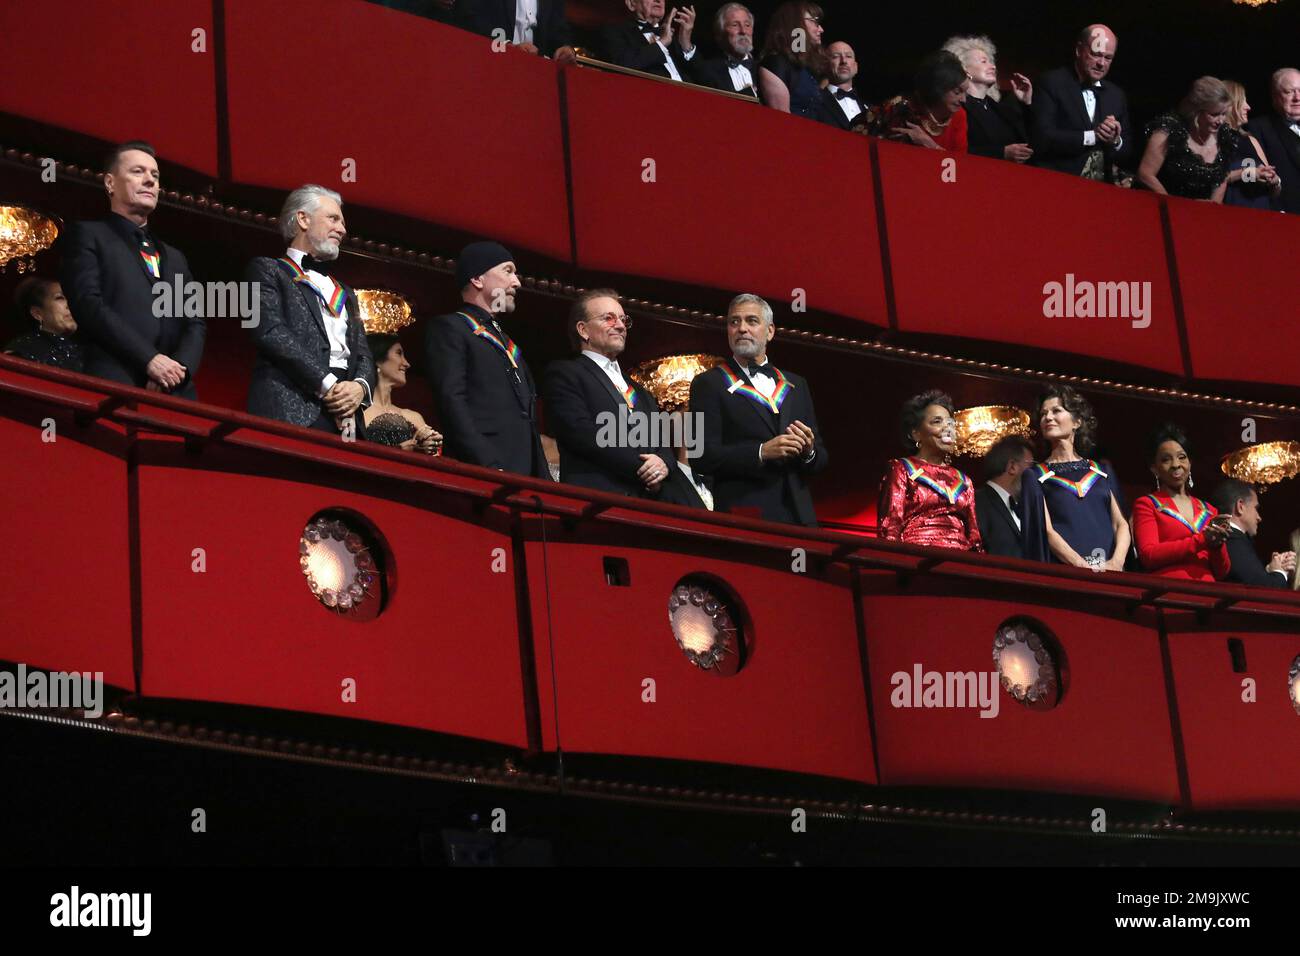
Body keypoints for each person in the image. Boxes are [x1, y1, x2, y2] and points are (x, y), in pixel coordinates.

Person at [60, 141, 205, 397]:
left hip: (173, 392)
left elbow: (195, 323)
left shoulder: (176, 257)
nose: (150, 181)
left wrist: (177, 370)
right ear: (110, 183)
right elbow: (88, 304)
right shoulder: (89, 235)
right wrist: (149, 359)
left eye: (155, 175)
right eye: (138, 172)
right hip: (113, 382)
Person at [245, 185, 373, 436]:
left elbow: (364, 355)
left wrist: (360, 388)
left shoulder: (346, 291)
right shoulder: (266, 270)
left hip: (347, 413)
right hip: (292, 404)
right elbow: (269, 332)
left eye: (343, 223)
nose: (342, 229)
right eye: (333, 219)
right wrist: (328, 385)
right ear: (303, 219)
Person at [690, 293, 826, 525]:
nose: (742, 328)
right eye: (734, 322)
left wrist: (809, 451)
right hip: (744, 515)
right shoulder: (708, 383)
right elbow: (701, 457)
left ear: (770, 331)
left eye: (751, 321)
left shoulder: (796, 384)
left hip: (799, 517)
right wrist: (761, 452)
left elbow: (821, 458)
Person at [424, 240, 548, 478]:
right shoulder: (450, 328)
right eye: (508, 271)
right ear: (478, 279)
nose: (517, 282)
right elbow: (452, 401)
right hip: (482, 472)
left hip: (524, 475)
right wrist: (486, 464)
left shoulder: (507, 341)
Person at [543, 289, 672, 496]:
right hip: (595, 501)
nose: (620, 326)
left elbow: (662, 444)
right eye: (608, 319)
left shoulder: (641, 391)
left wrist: (662, 464)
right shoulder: (565, 373)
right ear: (583, 330)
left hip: (646, 504)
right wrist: (641, 468)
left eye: (623, 319)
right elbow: (580, 433)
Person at [1020, 385, 1130, 570]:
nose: (1048, 417)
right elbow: (1046, 531)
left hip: (1113, 572)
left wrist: (1116, 563)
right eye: (1044, 413)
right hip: (1069, 574)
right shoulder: (1036, 475)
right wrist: (1083, 566)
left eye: (1056, 411)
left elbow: (1121, 524)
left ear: (1077, 421)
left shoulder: (1101, 471)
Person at [877, 391, 982, 551]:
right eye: (937, 422)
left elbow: (974, 537)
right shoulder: (901, 468)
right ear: (916, 433)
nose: (947, 429)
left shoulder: (964, 480)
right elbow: (890, 529)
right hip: (918, 560)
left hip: (960, 564)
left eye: (950, 423)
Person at [1029, 24, 1133, 182]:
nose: (1102, 63)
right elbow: (1042, 139)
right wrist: (1092, 136)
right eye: (1096, 54)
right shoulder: (1051, 82)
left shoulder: (1117, 95)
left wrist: (1115, 141)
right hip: (1056, 183)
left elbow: (1127, 151)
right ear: (1078, 50)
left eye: (1108, 58)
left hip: (1101, 191)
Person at [1130, 424, 1230, 581]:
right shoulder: (1147, 504)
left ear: (1190, 463)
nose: (1176, 464)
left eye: (1182, 457)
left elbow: (1222, 571)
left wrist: (1217, 545)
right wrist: (1202, 540)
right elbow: (1149, 555)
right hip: (1168, 594)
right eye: (1166, 459)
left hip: (1208, 597)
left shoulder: (1209, 510)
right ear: (1154, 469)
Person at [1137, 77, 1236, 202]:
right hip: (1162, 206)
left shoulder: (1224, 136)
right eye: (1214, 114)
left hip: (1200, 214)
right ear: (1196, 111)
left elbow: (1221, 179)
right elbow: (1145, 174)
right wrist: (1178, 206)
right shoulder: (1169, 130)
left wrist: (1213, 207)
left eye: (1224, 114)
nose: (1220, 121)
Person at [944, 34, 1033, 163]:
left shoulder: (1000, 109)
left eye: (991, 62)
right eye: (984, 61)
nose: (993, 66)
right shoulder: (955, 107)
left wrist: (1026, 103)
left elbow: (1032, 142)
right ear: (964, 69)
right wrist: (1001, 153)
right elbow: (952, 150)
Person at [862, 50, 969, 152]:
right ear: (938, 87)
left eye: (965, 92)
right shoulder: (901, 107)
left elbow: (959, 165)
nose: (963, 100)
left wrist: (930, 145)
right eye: (957, 92)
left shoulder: (959, 115)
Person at [363, 334, 443, 454]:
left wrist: (431, 445)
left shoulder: (414, 417)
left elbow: (433, 458)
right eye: (399, 353)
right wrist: (397, 450)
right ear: (378, 360)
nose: (407, 363)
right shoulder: (354, 412)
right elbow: (345, 449)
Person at [1209, 479, 1296, 588]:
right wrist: (1280, 572)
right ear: (1240, 507)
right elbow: (1265, 590)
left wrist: (1270, 570)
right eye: (1256, 508)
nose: (1259, 518)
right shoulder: (1232, 540)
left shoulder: (1233, 539)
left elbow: (1248, 580)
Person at [757, 2, 833, 124]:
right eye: (815, 22)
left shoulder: (807, 67)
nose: (821, 29)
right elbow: (782, 120)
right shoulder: (776, 63)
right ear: (797, 23)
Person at [1245, 67, 1300, 214]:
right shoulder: (1258, 128)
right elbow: (1250, 176)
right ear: (1274, 96)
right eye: (1289, 92)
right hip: (1283, 217)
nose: (1297, 97)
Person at [974, 435, 1039, 558]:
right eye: (1031, 467)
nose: (1035, 475)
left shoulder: (1025, 509)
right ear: (1012, 467)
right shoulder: (977, 501)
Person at [601, 0, 698, 82]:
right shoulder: (614, 31)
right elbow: (620, 65)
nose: (658, 0)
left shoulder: (674, 38)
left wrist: (686, 42)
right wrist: (662, 43)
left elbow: (706, 79)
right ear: (631, 4)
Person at [1223, 80, 1283, 210]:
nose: (1248, 107)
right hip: (1230, 214)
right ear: (1229, 105)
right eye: (1242, 101)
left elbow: (1273, 192)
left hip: (1260, 215)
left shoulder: (1250, 139)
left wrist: (1275, 181)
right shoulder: (1214, 139)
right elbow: (1209, 178)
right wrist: (1246, 173)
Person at [455, 0, 577, 63]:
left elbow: (558, 29)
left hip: (535, 75)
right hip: (489, 63)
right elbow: (468, 16)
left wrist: (565, 49)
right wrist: (507, 46)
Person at [3, 278, 84, 372]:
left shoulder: (89, 352)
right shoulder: (23, 349)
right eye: (60, 298)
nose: (70, 304)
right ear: (37, 313)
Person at [692, 2, 758, 98]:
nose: (743, 31)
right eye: (735, 25)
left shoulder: (763, 70)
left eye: (747, 25)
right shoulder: (708, 72)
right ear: (720, 33)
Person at [819, 41, 869, 131]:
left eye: (848, 56)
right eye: (836, 56)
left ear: (856, 67)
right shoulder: (814, 101)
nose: (844, 61)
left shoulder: (869, 108)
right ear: (824, 66)